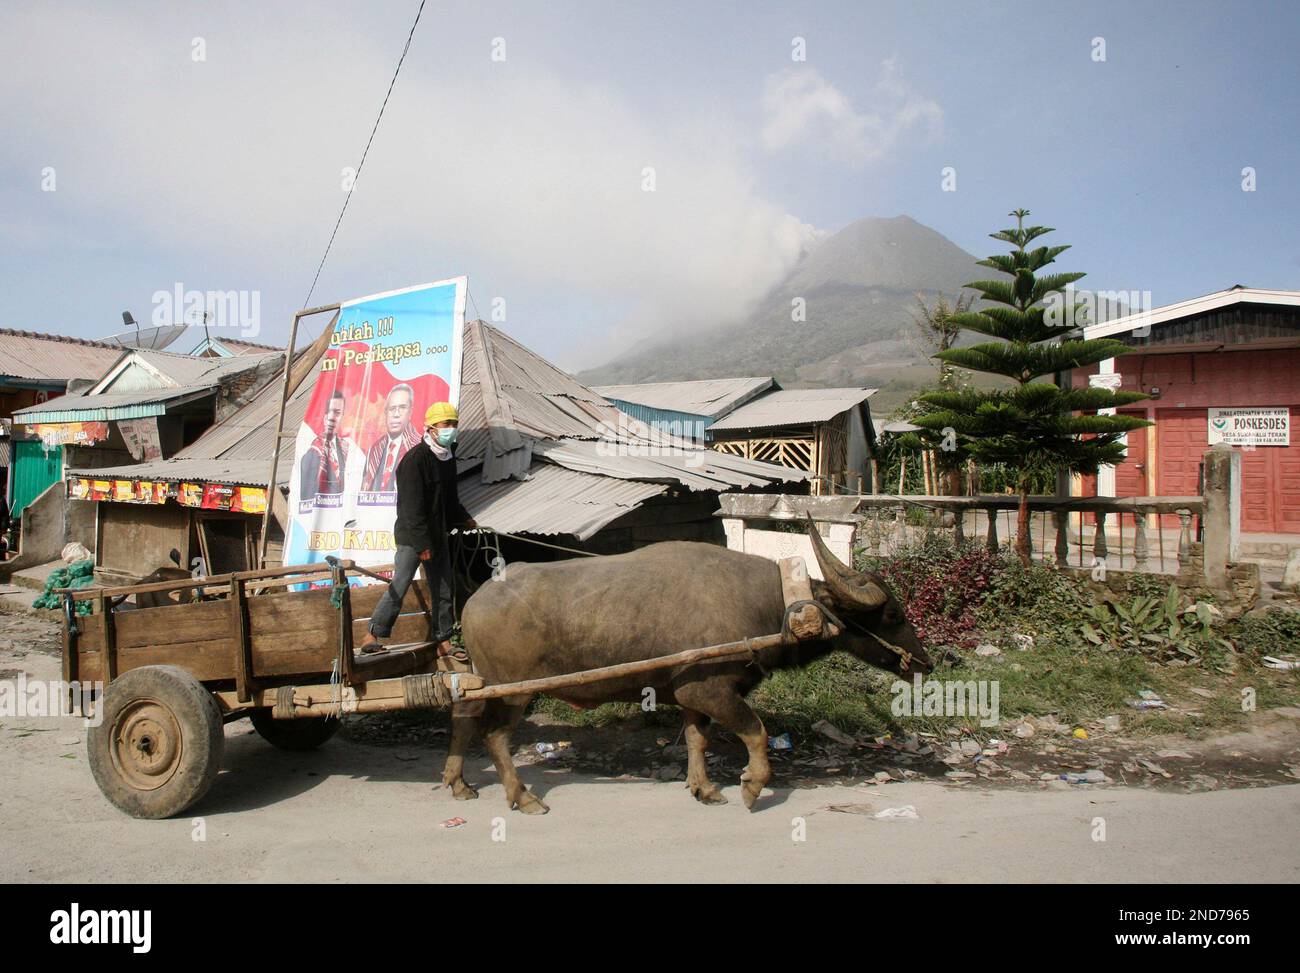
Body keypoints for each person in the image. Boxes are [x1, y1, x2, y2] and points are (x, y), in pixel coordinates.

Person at [360, 401, 476, 659]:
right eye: (446, 424)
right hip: (414, 539)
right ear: (432, 428)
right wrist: (423, 545)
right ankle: (372, 634)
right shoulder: (414, 460)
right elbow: (411, 510)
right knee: (400, 584)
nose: (451, 429)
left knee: (444, 590)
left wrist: (464, 518)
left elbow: (449, 499)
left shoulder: (447, 458)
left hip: (439, 535)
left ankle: (444, 640)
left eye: (454, 424)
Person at [362, 383, 421, 492]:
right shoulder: (374, 449)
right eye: (392, 408)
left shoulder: (419, 448)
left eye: (402, 408)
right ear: (385, 413)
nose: (396, 414)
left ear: (410, 412)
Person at [299, 389, 351, 500]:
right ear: (324, 417)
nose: (331, 418)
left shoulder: (348, 450)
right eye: (329, 412)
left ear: (343, 417)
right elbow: (306, 495)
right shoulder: (313, 454)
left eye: (337, 413)